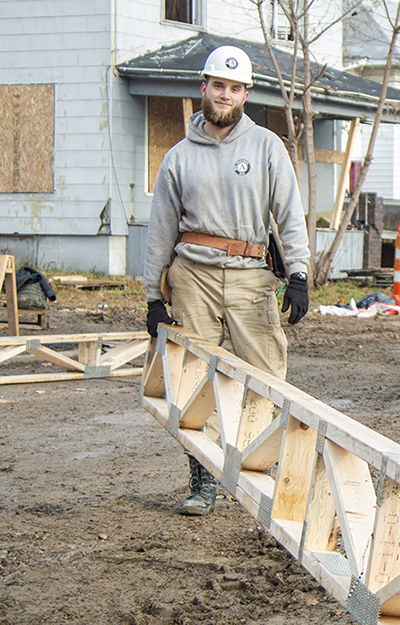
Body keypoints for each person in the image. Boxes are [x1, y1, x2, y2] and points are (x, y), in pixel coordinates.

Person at [143, 45, 311, 516]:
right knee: (192, 378)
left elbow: (289, 215)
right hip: (191, 275)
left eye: (235, 88)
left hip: (249, 276)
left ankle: (262, 474)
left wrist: (298, 273)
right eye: (218, 85)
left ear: (244, 94)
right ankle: (203, 481)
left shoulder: (266, 148)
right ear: (204, 88)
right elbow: (160, 231)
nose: (225, 95)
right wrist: (153, 297)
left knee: (266, 375)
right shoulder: (178, 157)